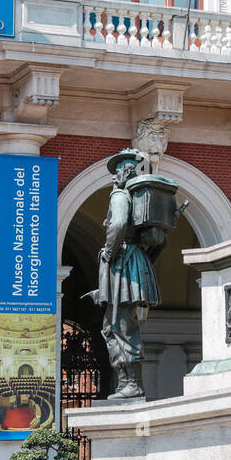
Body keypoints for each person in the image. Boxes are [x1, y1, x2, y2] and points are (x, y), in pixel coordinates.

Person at [87, 148, 167, 398]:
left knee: (118, 325)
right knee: (120, 324)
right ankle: (127, 383)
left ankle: (131, 384)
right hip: (135, 263)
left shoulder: (121, 195)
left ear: (127, 171)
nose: (113, 176)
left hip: (122, 263)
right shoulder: (145, 201)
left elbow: (119, 224)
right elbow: (161, 240)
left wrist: (109, 253)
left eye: (117, 170)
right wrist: (143, 260)